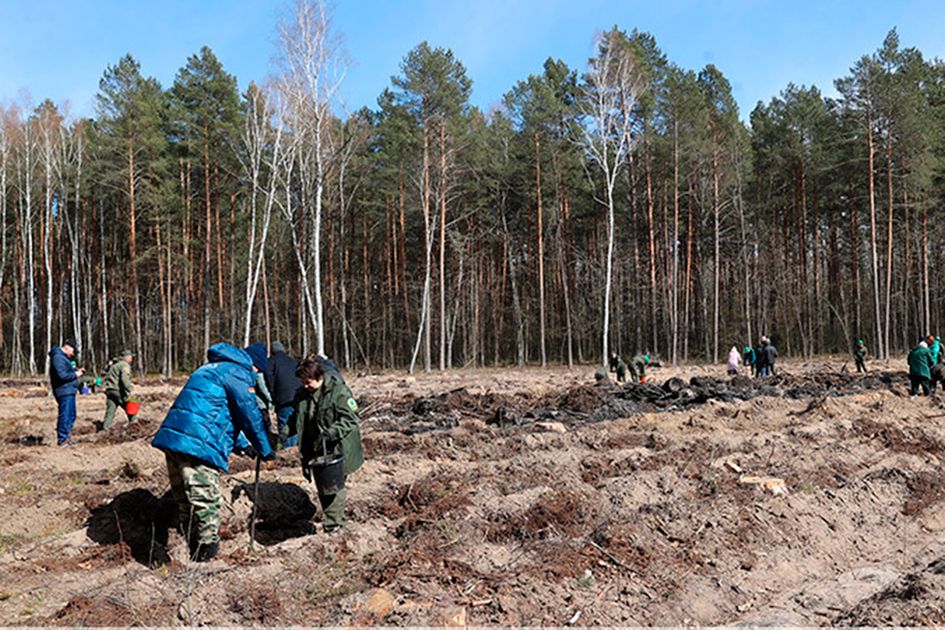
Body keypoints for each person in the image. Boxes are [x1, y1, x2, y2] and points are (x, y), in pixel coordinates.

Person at [151, 342, 274, 562]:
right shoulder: (238, 372)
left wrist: (244, 445)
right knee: (205, 498)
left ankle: (187, 547)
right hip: (198, 444)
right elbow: (249, 415)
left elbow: (218, 412)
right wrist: (265, 448)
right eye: (258, 372)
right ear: (254, 366)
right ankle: (207, 554)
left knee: (185, 500)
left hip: (175, 438)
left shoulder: (211, 368)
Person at [287, 355, 364, 533]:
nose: (305, 386)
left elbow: (351, 418)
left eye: (309, 382)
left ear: (319, 376)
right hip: (316, 445)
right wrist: (285, 432)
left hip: (339, 446)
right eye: (302, 382)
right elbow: (297, 417)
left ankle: (334, 525)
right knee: (323, 485)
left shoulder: (338, 391)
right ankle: (334, 521)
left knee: (333, 485)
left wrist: (331, 432)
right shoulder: (302, 395)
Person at [264, 341, 302, 448]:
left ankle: (288, 452)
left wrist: (273, 396)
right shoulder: (293, 361)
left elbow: (269, 381)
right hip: (297, 397)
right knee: (296, 424)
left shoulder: (271, 362)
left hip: (283, 399)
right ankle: (297, 450)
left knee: (285, 425)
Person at [49, 339, 85, 446]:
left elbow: (65, 372)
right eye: (73, 352)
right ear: (67, 347)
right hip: (64, 390)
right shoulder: (58, 358)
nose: (73, 355)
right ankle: (62, 438)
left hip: (68, 390)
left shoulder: (63, 358)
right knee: (65, 415)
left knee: (71, 415)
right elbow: (62, 375)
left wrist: (74, 371)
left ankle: (66, 437)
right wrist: (76, 374)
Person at [101, 349, 136, 430]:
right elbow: (124, 379)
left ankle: (105, 429)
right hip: (118, 390)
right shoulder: (124, 365)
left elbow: (105, 374)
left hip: (109, 390)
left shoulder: (114, 365)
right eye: (130, 356)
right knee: (130, 408)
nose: (131, 358)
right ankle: (134, 426)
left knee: (110, 412)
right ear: (126, 357)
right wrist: (130, 389)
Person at [244, 343, 274, 414]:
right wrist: (270, 399)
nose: (257, 371)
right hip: (258, 405)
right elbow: (262, 386)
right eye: (257, 369)